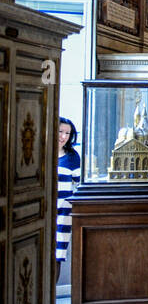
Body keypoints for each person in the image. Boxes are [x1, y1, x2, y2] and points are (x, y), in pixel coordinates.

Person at [56, 117, 80, 275]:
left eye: (67, 133)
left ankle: (51, 299)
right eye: (60, 131)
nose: (63, 136)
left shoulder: (72, 157)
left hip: (63, 215)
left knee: (57, 257)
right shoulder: (40, 153)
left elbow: (79, 184)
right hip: (41, 213)